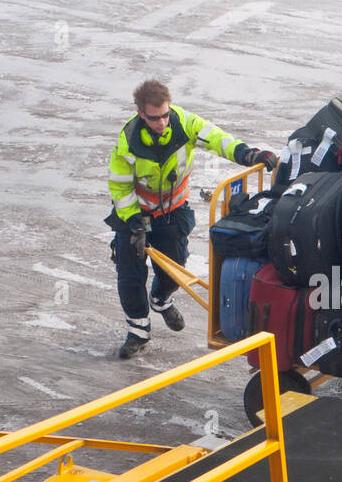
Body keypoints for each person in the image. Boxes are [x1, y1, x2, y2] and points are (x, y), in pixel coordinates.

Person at [105, 79, 277, 359]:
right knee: (130, 273)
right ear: (140, 113)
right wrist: (134, 223)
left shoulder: (184, 123)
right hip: (135, 215)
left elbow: (217, 139)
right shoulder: (128, 141)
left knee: (175, 268)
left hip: (173, 213)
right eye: (154, 118)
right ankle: (138, 330)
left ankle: (161, 300)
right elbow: (120, 187)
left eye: (164, 115)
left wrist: (248, 154)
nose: (161, 122)